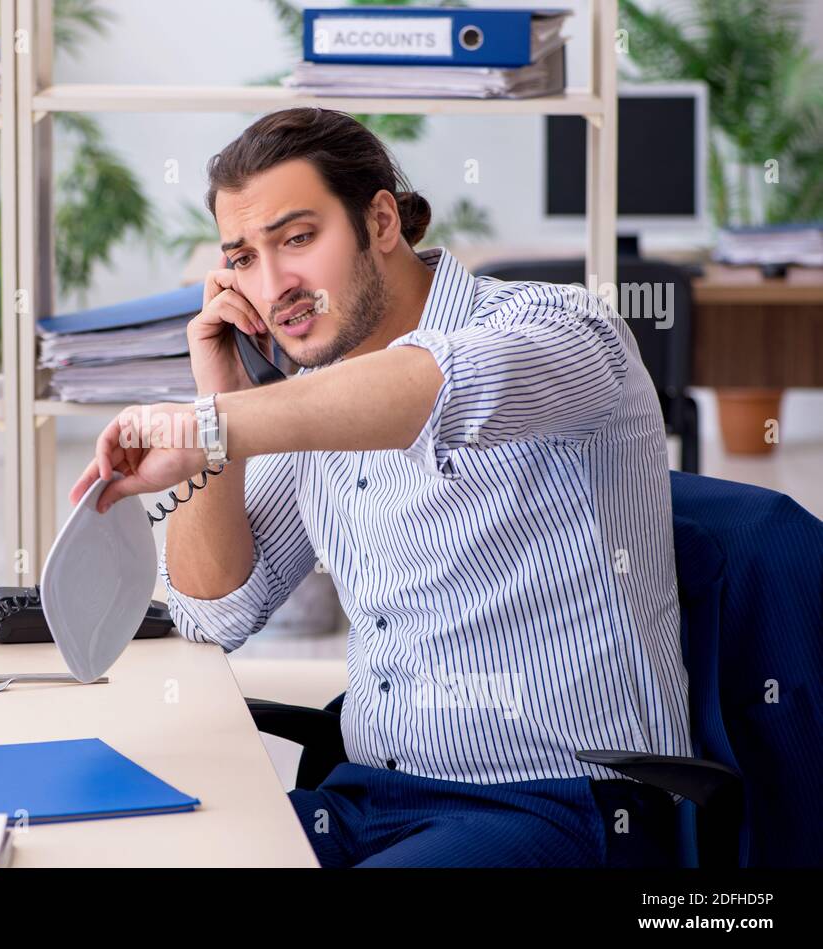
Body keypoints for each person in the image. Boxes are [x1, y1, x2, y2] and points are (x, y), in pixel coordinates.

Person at [69, 108, 691, 867]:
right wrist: (218, 393)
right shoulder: (306, 399)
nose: (273, 287)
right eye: (242, 258)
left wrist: (213, 424)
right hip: (367, 798)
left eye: (298, 239)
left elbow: (432, 390)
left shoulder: (564, 327)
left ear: (383, 220)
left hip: (562, 804)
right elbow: (214, 610)